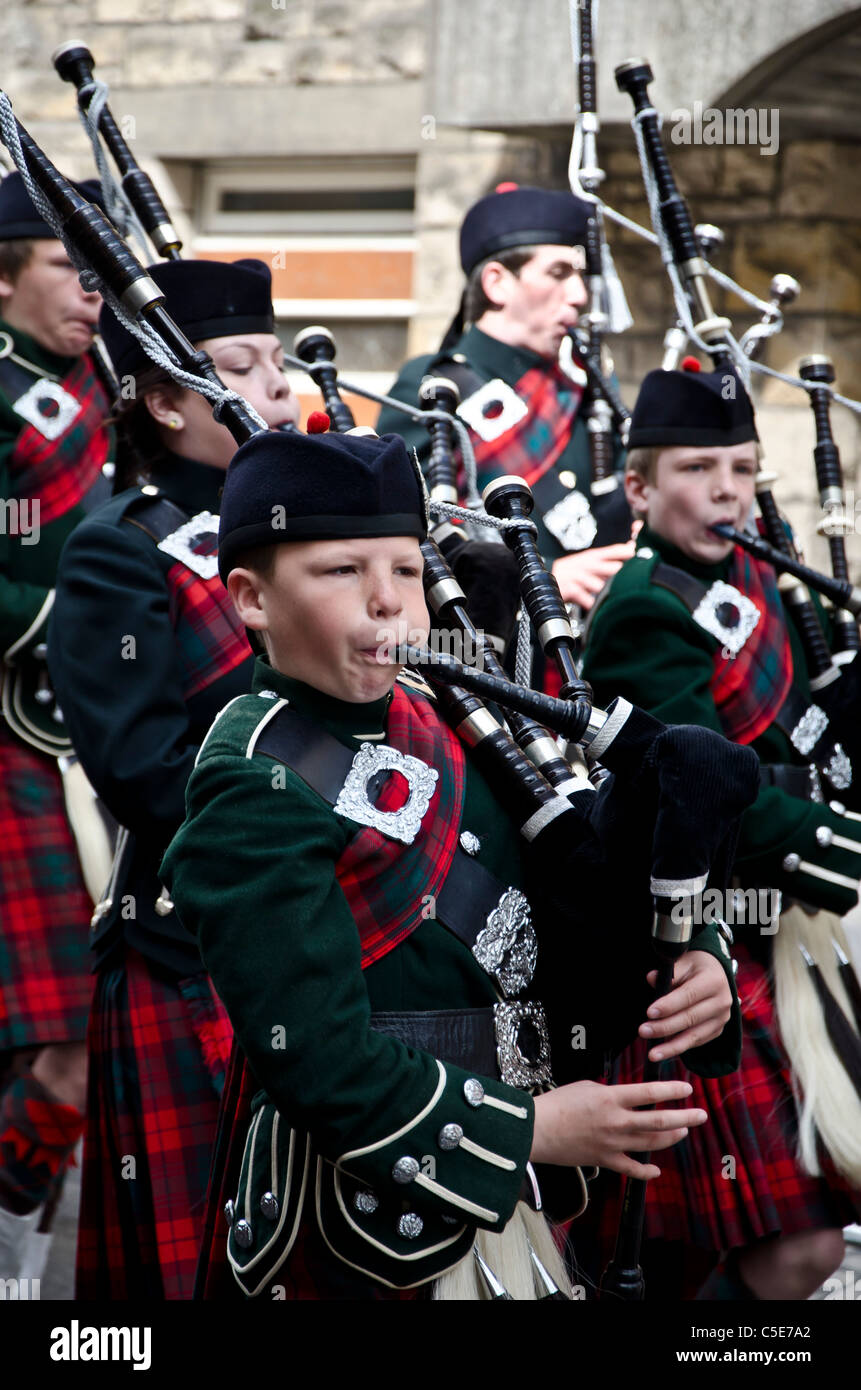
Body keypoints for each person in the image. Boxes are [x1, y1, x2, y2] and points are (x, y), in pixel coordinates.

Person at [158, 422, 754, 1301]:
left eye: (405, 569)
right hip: (365, 1220)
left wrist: (701, 949)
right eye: (339, 571)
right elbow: (315, 1058)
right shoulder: (256, 777)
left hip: (507, 1191)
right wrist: (526, 1130)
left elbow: (577, 874)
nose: (387, 602)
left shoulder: (447, 713)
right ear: (249, 598)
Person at [48, 256, 300, 1299]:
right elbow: (144, 771)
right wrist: (295, 825)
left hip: (326, 924)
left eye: (280, 363)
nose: (276, 388)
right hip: (189, 936)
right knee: (188, 1272)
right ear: (160, 399)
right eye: (239, 367)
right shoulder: (122, 549)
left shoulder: (311, 535)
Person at [581, 360, 861, 1299]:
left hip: (789, 929)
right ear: (638, 487)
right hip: (710, 936)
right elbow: (698, 791)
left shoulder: (755, 569)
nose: (725, 491)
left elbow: (802, 729)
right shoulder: (641, 611)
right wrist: (844, 849)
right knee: (775, 1245)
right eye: (698, 469)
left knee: (802, 1234)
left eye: (741, 468)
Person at [0, 169, 112, 1282]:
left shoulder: (123, 381)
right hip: (16, 743)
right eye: (70, 269)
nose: (94, 293)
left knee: (93, 1046)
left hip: (112, 749)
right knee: (58, 1044)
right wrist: (74, 619)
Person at [377, 184, 634, 620]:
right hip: (497, 648)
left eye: (579, 276)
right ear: (497, 282)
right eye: (558, 273)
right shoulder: (433, 384)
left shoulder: (587, 385)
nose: (579, 295)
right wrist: (543, 576)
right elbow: (402, 537)